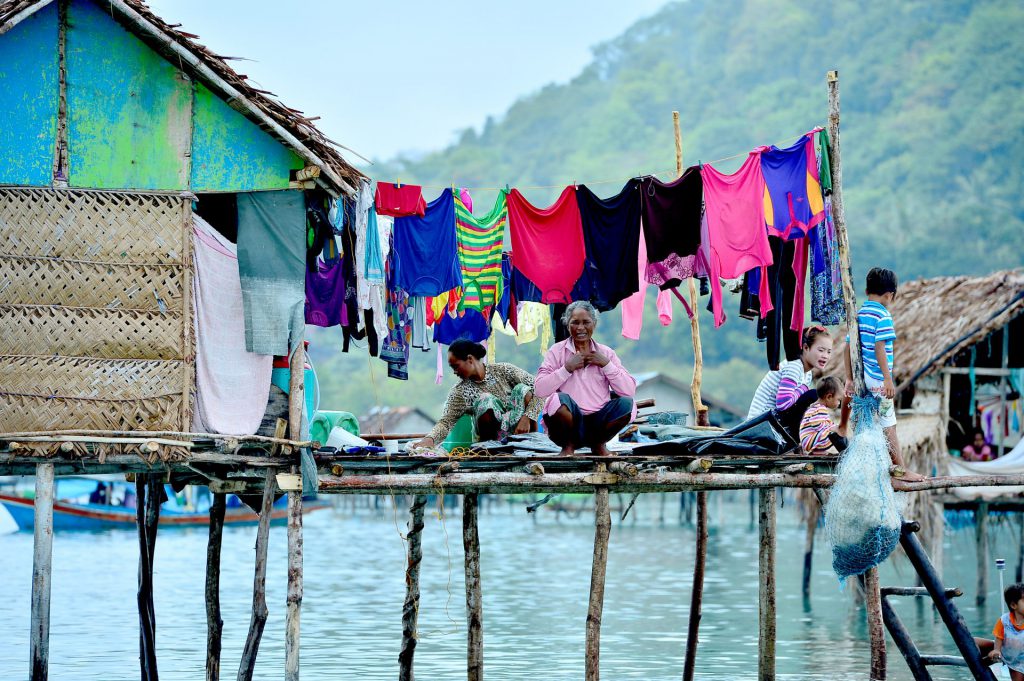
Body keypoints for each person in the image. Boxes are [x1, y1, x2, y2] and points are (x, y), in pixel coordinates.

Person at [843, 267, 924, 481]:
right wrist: (888, 378)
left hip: (864, 377)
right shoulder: (883, 315)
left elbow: (847, 348)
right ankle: (900, 469)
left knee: (869, 422)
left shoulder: (859, 314)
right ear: (890, 295)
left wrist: (849, 378)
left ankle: (868, 466)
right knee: (889, 424)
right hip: (879, 379)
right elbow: (880, 348)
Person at [534, 300, 636, 456]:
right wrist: (567, 368)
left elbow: (628, 390)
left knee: (627, 404)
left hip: (599, 425)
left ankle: (598, 445)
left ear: (594, 324)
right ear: (567, 325)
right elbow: (540, 390)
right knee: (558, 400)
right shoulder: (556, 352)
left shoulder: (606, 353)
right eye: (575, 322)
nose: (580, 328)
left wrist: (606, 365)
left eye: (586, 322)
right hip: (568, 424)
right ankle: (568, 447)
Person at [411, 339, 541, 450]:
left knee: (522, 389)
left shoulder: (504, 370)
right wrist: (429, 440)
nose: (455, 372)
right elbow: (445, 422)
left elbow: (541, 390)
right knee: (486, 399)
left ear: (470, 359)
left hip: (522, 435)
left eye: (456, 366)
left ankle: (533, 442)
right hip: (491, 446)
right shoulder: (459, 391)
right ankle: (490, 451)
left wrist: (526, 417)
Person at [746, 326, 835, 441]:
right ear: (806, 348)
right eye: (821, 350)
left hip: (773, 423)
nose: (825, 356)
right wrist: (803, 389)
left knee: (811, 398)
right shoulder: (794, 366)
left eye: (828, 352)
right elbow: (783, 404)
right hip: (759, 427)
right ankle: (799, 441)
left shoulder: (807, 373)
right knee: (813, 395)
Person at [799, 376, 850, 454]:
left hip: (810, 438)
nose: (839, 403)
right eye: (838, 400)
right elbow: (817, 424)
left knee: (836, 429)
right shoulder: (819, 409)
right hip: (809, 440)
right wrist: (834, 428)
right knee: (836, 432)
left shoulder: (818, 407)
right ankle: (845, 451)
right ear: (829, 397)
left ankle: (819, 450)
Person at [988, 582, 1024, 678]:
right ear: (1013, 605)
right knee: (973, 641)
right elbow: (999, 637)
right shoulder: (1004, 620)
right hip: (1012, 659)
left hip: (1022, 659)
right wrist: (997, 650)